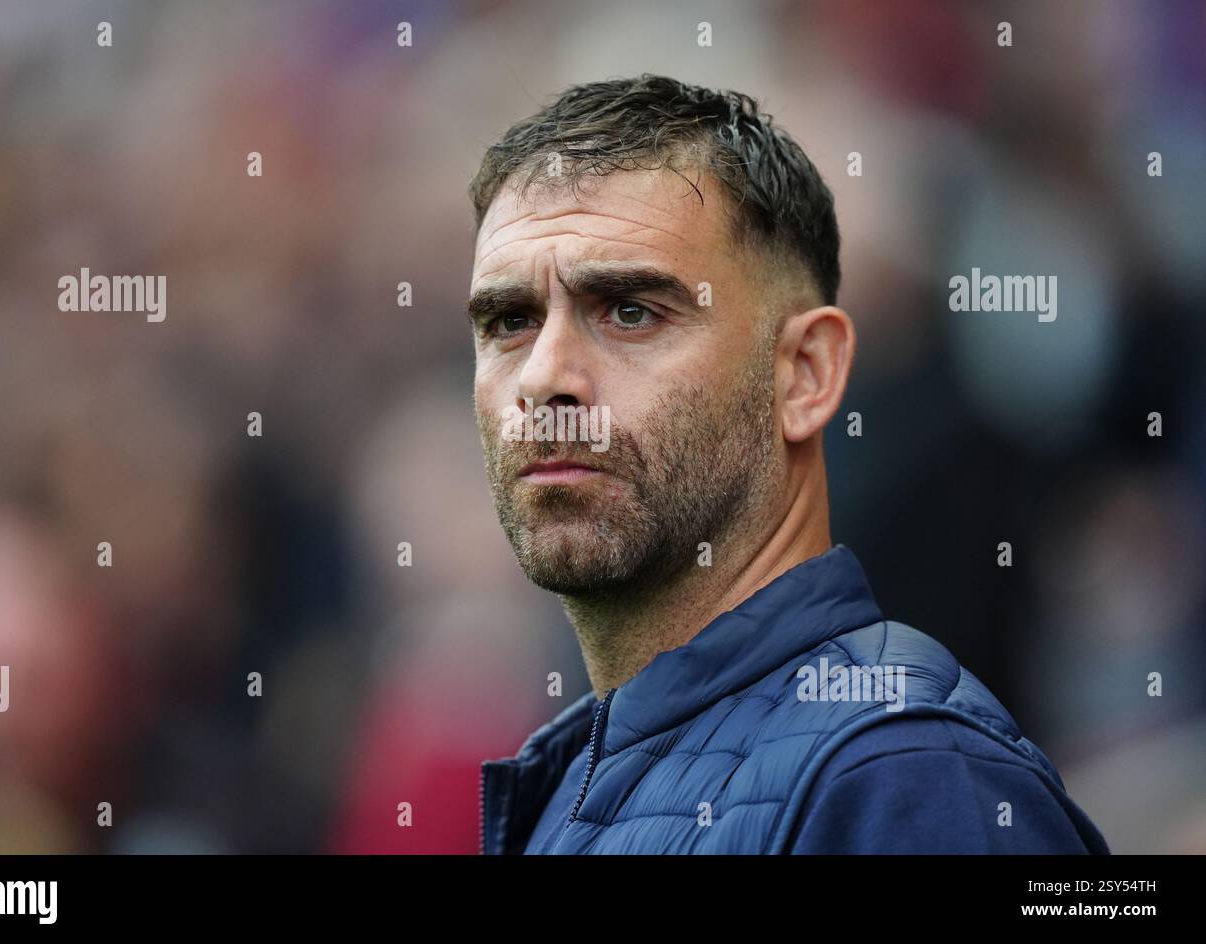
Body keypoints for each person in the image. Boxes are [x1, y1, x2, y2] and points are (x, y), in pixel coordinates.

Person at [467, 75, 1110, 854]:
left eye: (631, 310)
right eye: (509, 320)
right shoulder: (570, 782)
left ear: (805, 374)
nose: (543, 377)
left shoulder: (905, 777)